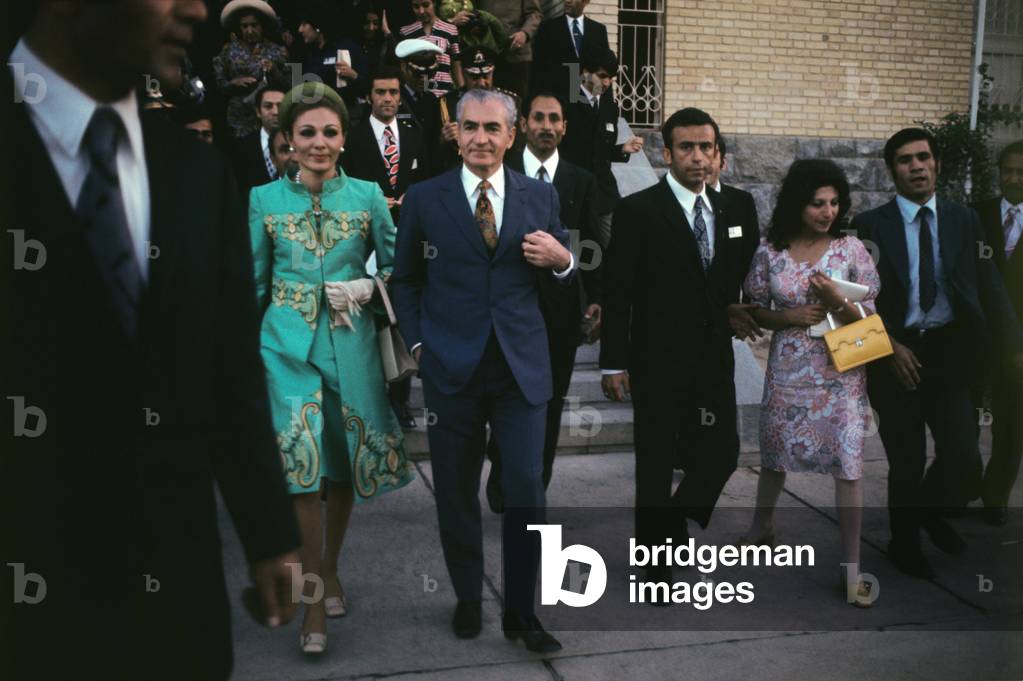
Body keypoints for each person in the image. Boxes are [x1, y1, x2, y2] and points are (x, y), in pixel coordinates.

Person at [4, 2, 301, 679]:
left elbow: (228, 365)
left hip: (175, 608)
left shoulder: (197, 175)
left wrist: (268, 530)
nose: (197, 8)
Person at [392, 88, 573, 652]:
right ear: (458, 133)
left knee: (526, 490)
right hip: (452, 370)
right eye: (469, 127)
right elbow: (405, 280)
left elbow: (559, 265)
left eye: (492, 129)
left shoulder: (540, 196)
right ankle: (469, 597)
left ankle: (522, 612)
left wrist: (564, 262)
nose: (480, 138)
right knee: (454, 492)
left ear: (510, 135)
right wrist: (419, 346)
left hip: (520, 370)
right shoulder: (425, 197)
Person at [249, 82, 415, 654]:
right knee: (303, 468)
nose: (319, 143)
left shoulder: (369, 195)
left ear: (344, 138)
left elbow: (399, 270)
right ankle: (314, 600)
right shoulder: (263, 200)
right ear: (287, 143)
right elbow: (253, 281)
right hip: (285, 347)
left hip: (352, 346)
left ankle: (330, 566)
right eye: (306, 133)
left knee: (343, 467)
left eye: (330, 131)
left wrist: (367, 285)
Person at [852, 128, 1023, 579]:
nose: (917, 166)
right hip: (893, 355)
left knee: (965, 457)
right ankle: (903, 543)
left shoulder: (963, 220)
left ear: (937, 164)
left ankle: (926, 511)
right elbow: (848, 305)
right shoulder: (870, 225)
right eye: (906, 160)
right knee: (906, 461)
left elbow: (989, 287)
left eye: (924, 157)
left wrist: (1014, 346)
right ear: (893, 171)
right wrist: (888, 349)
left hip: (950, 354)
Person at [600, 108, 746, 582]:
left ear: (717, 153)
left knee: (723, 452)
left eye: (706, 147)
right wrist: (612, 364)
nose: (697, 157)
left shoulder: (734, 208)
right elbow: (618, 292)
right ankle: (655, 570)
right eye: (686, 147)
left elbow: (734, 276)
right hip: (656, 360)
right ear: (667, 154)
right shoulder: (639, 211)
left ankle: (676, 519)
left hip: (713, 359)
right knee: (655, 468)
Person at [741, 160, 881, 607]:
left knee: (848, 462)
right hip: (787, 369)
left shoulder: (851, 251)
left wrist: (834, 299)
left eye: (834, 202)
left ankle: (851, 568)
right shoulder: (771, 250)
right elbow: (754, 308)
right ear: (798, 204)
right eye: (817, 203)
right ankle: (760, 527)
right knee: (775, 455)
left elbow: (872, 319)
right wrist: (788, 316)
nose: (827, 211)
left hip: (841, 372)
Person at [484, 90, 602, 512]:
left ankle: (534, 488)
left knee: (547, 406)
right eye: (539, 118)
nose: (547, 126)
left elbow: (592, 245)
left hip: (559, 315)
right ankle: (502, 471)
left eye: (555, 118)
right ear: (523, 127)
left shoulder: (581, 180)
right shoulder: (498, 171)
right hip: (507, 312)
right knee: (503, 400)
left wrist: (595, 298)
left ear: (565, 127)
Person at [341, 66, 428, 429]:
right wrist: (376, 204)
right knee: (371, 319)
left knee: (401, 315)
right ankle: (369, 396)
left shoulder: (415, 133)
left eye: (394, 92)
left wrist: (412, 198)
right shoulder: (355, 136)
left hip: (406, 239)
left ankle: (400, 399)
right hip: (364, 242)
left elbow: (428, 178)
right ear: (369, 97)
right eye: (381, 92)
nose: (389, 98)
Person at [972, 139, 1023, 526]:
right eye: (1008, 171)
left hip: (1018, 346)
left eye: (1022, 173)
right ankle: (960, 487)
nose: (1014, 178)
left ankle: (995, 497)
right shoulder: (976, 216)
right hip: (974, 337)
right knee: (964, 420)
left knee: (1011, 424)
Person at [560, 46, 643, 247]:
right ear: (584, 73)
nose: (606, 83)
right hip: (573, 194)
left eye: (611, 78)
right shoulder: (566, 104)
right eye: (602, 76)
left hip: (604, 193)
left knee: (617, 246)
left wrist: (622, 149)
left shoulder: (609, 107)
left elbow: (600, 151)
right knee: (574, 252)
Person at [212, 0, 289, 138]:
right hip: (239, 120)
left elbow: (291, 85)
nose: (249, 30)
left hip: (270, 119)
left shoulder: (279, 51)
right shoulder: (228, 51)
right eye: (244, 26)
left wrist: (275, 72)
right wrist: (232, 83)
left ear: (262, 26)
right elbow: (218, 84)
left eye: (254, 25)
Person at [531, 0, 610, 98]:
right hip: (557, 99)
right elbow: (537, 67)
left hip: (586, 101)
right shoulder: (548, 28)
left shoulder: (598, 30)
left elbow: (605, 66)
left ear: (585, 1)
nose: (567, 1)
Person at [297, 9, 369, 116]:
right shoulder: (310, 54)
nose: (300, 30)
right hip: (320, 113)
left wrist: (353, 75)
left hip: (348, 113)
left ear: (316, 26)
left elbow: (368, 85)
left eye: (304, 24)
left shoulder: (347, 47)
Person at [469, 0, 541, 96]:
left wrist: (525, 33)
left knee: (517, 102)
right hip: (486, 55)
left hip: (515, 55)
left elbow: (535, 13)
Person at [232, 79, 288, 197]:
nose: (275, 112)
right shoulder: (240, 148)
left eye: (280, 106)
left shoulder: (301, 143)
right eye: (268, 106)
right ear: (258, 112)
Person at [400, 0, 463, 97]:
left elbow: (456, 65)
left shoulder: (450, 29)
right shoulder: (406, 32)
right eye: (416, 6)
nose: (421, 11)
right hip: (419, 95)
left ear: (434, 3)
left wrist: (462, 92)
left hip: (445, 93)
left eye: (425, 5)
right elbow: (404, 68)